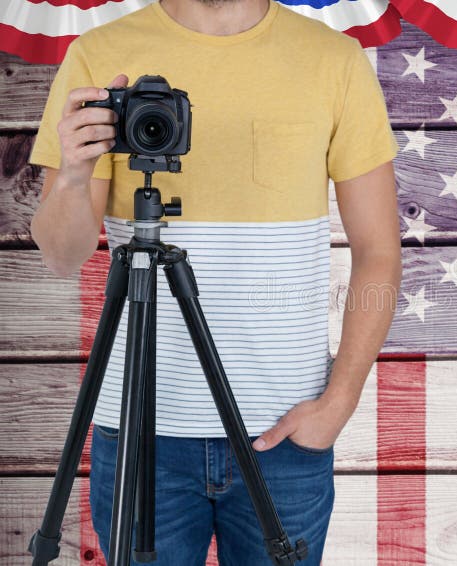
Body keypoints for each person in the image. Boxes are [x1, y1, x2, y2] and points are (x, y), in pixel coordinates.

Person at [28, 0, 401, 564]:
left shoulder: (333, 59)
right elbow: (62, 256)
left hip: (284, 432)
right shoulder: (97, 56)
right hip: (138, 430)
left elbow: (378, 252)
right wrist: (73, 177)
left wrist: (340, 400)